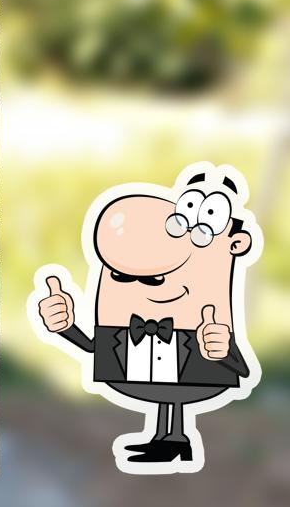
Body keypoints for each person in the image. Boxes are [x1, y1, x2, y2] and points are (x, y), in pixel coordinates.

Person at [34, 162, 259, 471]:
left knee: (176, 394)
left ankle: (175, 439)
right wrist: (64, 326)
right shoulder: (121, 328)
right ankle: (167, 439)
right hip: (140, 374)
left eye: (153, 278)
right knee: (167, 396)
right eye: (122, 278)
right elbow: (93, 347)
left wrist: (222, 351)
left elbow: (241, 369)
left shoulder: (207, 325)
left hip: (193, 375)